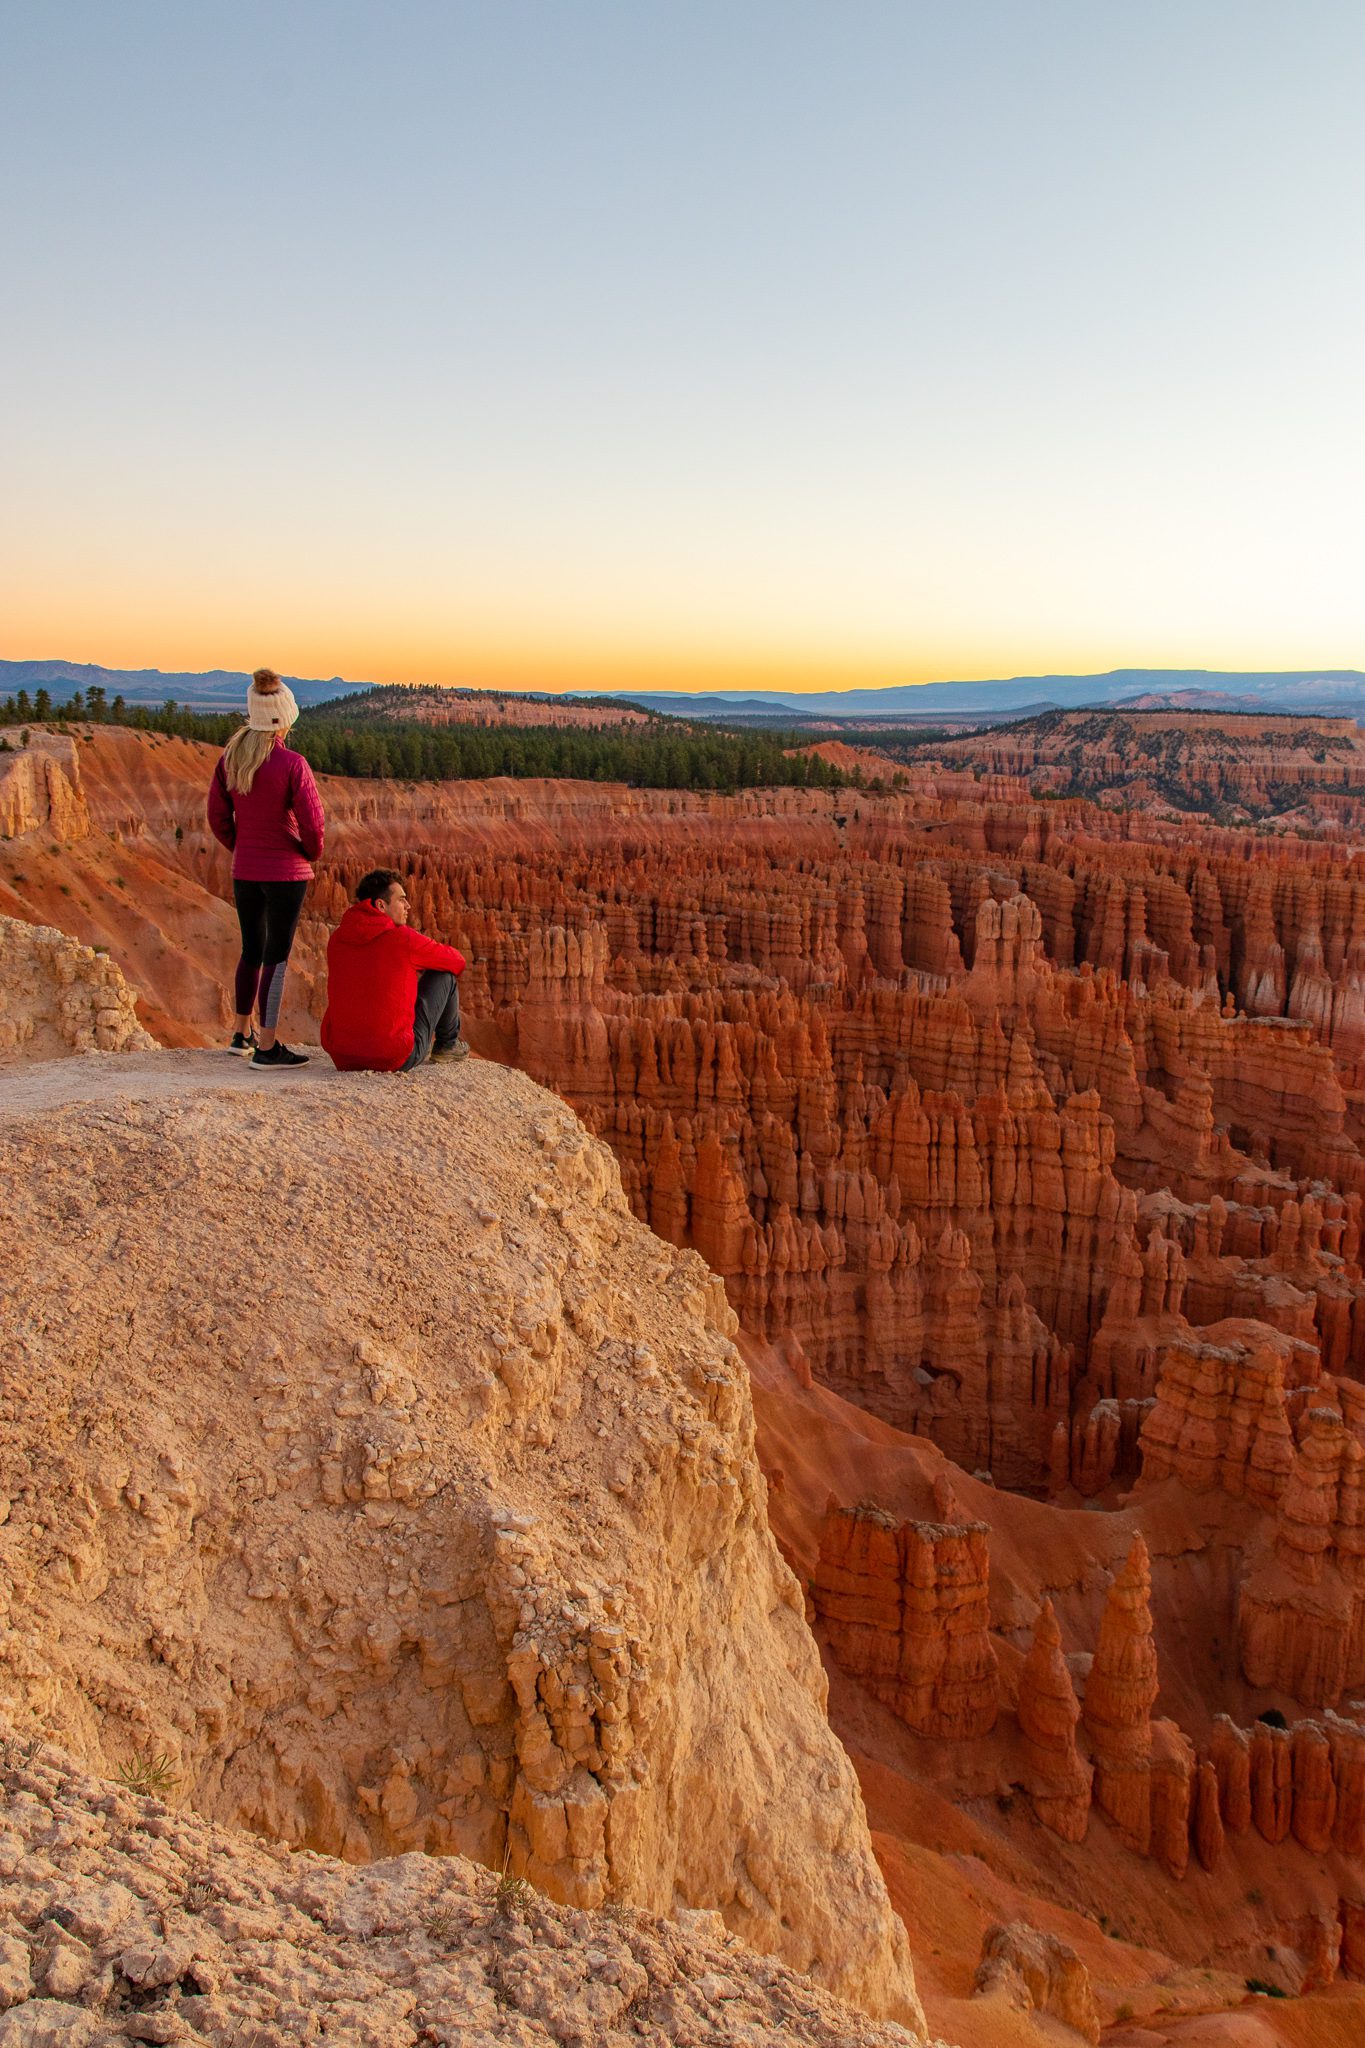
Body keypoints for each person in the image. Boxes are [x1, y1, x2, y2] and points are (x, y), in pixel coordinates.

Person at [207, 668, 325, 1068]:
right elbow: (313, 822)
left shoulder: (230, 761)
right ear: (285, 718)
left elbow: (217, 816)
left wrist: (241, 847)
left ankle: (241, 1033)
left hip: (245, 871)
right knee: (277, 955)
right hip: (285, 874)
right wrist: (308, 852)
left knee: (251, 950)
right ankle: (268, 1046)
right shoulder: (292, 764)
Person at [321, 869, 469, 1072]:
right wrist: (421, 963)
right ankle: (447, 1045)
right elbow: (457, 961)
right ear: (381, 905)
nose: (408, 906)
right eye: (401, 900)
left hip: (343, 1057)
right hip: (394, 1057)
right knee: (444, 975)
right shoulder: (403, 938)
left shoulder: (337, 938)